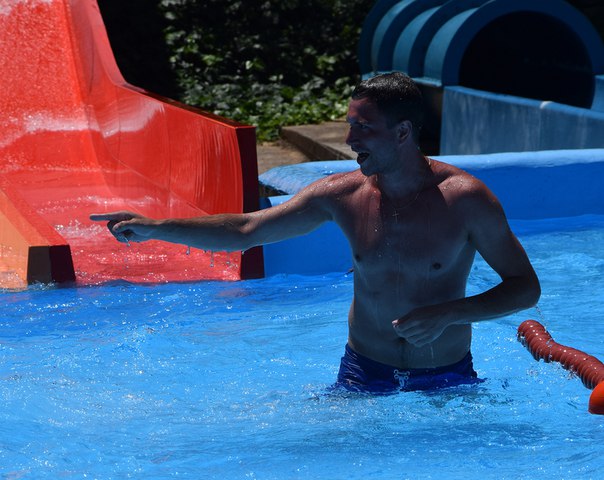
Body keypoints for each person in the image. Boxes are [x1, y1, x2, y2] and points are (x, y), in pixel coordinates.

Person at [91, 72, 540, 394]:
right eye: (350, 124)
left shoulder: (465, 200)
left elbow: (524, 287)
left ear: (403, 132)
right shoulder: (342, 195)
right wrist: (156, 228)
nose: (349, 139)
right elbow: (247, 229)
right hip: (363, 375)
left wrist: (449, 313)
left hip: (447, 377)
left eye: (363, 127)